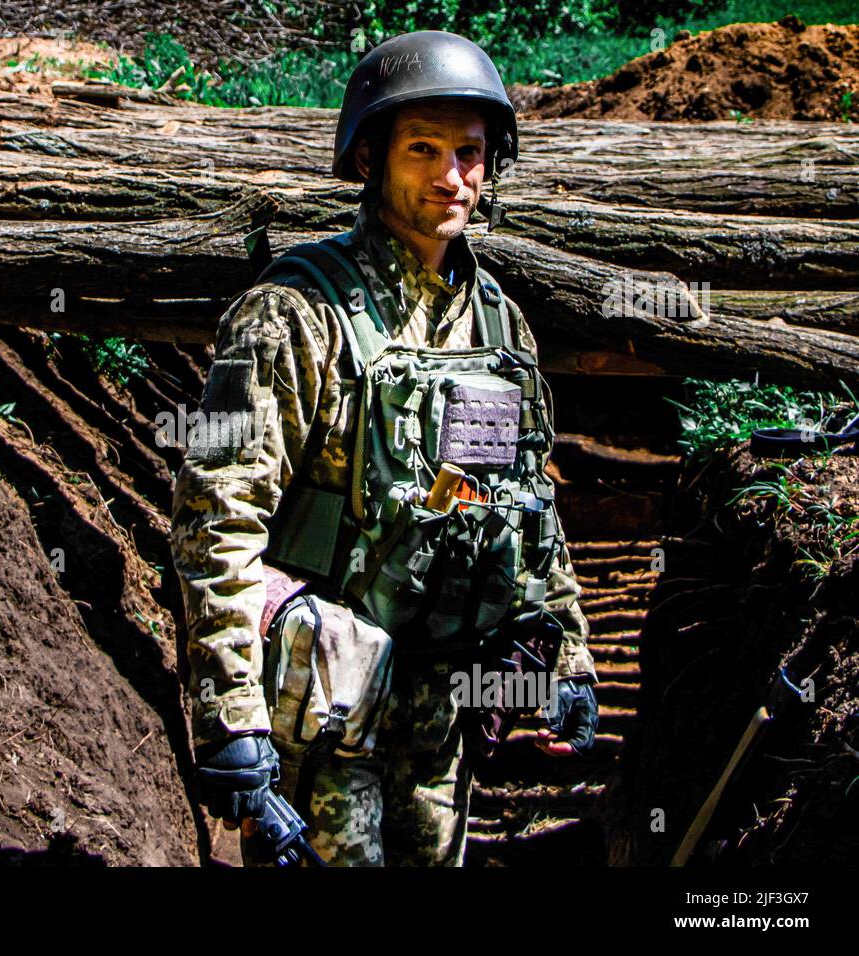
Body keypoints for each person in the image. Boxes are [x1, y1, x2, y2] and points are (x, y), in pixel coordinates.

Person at [170, 31, 599, 867]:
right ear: (371, 158)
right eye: (424, 150)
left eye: (470, 153)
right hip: (324, 709)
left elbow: (528, 506)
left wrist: (567, 656)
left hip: (442, 711)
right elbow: (217, 514)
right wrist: (229, 714)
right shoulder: (295, 313)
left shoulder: (501, 328)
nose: (451, 177)